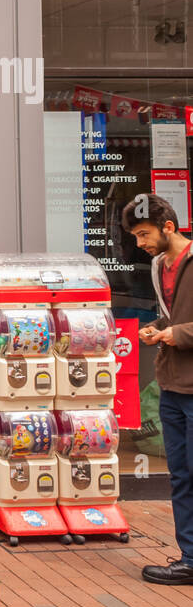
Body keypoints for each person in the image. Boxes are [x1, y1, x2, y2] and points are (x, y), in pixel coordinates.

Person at [126, 194, 193, 585]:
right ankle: (189, 558)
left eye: (145, 234)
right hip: (171, 385)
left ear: (169, 227)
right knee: (181, 475)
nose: (140, 243)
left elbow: (182, 326)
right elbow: (172, 315)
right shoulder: (157, 266)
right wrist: (157, 329)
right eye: (135, 236)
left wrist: (175, 333)